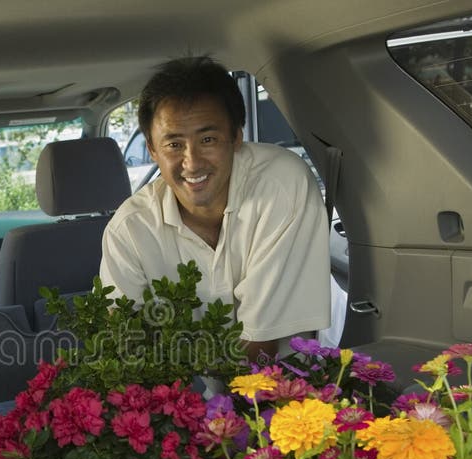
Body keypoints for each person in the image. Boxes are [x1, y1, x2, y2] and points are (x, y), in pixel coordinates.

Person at [100, 56, 330, 363]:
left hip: (287, 386)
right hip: (186, 396)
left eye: (208, 139)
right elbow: (122, 343)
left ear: (236, 136)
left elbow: (260, 345)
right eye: (174, 144)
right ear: (152, 149)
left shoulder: (281, 187)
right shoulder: (129, 229)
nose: (192, 162)